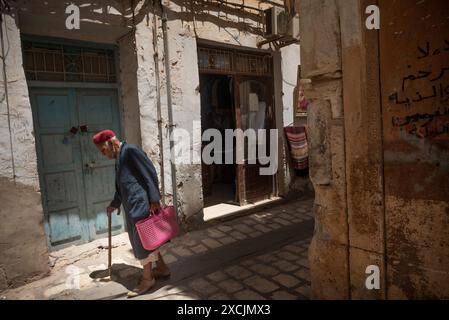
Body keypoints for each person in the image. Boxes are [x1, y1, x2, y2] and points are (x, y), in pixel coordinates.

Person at [92, 129, 170, 297]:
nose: (104, 155)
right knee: (149, 239)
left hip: (140, 205)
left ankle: (148, 279)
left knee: (142, 242)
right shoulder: (119, 157)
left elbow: (150, 173)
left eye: (103, 150)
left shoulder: (130, 151)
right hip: (132, 206)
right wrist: (114, 204)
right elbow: (122, 186)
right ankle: (162, 269)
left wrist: (154, 199)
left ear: (112, 143)